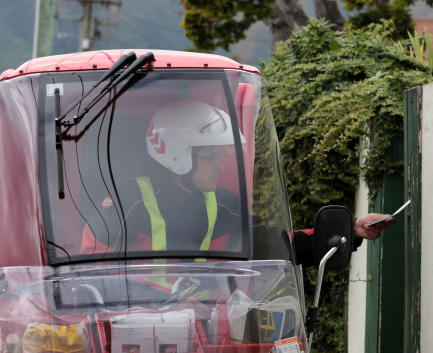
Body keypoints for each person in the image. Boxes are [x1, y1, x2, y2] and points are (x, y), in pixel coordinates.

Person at [80, 100, 396, 266]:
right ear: (177, 155)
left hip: (207, 335)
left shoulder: (223, 203)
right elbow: (88, 274)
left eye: (221, 154)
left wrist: (350, 230)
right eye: (210, 156)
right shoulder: (127, 202)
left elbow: (280, 247)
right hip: (135, 334)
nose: (220, 164)